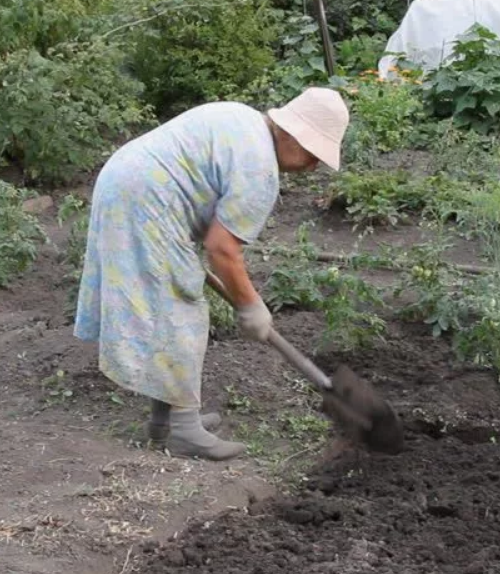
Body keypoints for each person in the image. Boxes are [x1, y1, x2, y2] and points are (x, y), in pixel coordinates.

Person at [73, 87, 350, 461]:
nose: (313, 166)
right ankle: (184, 430)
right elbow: (221, 248)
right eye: (312, 153)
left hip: (124, 181)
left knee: (165, 308)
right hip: (148, 200)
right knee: (182, 311)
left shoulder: (242, 118)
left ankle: (164, 422)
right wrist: (251, 305)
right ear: (289, 132)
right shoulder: (259, 170)